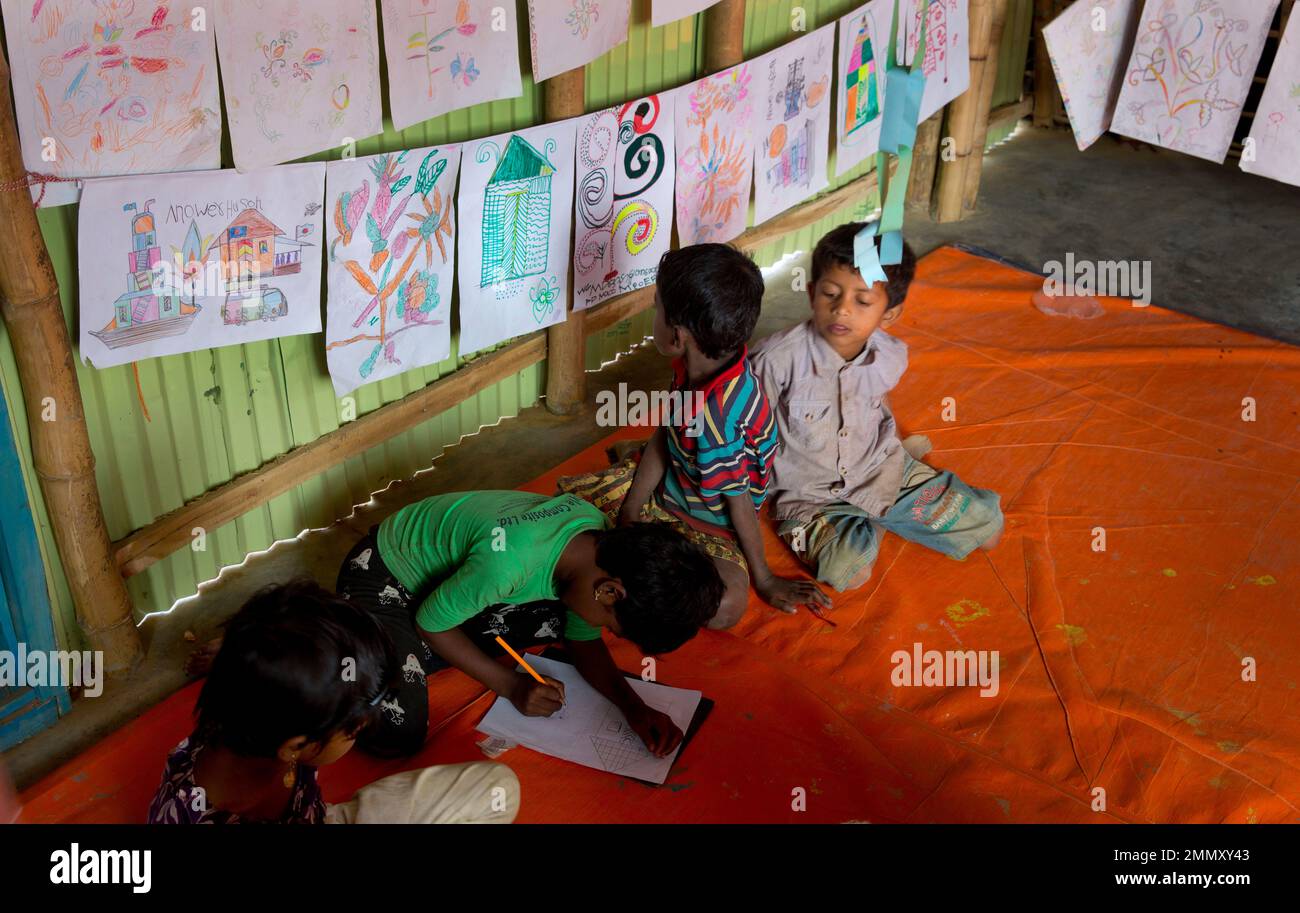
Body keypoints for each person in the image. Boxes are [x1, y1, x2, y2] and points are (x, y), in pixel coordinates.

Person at [559, 244, 831, 629]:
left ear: (677, 336)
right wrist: (631, 513)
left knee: (725, 607)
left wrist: (764, 578)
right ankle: (648, 547)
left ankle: (649, 545)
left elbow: (737, 504)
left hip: (712, 531)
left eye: (656, 308)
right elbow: (665, 437)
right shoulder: (701, 365)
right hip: (666, 498)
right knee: (567, 510)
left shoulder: (719, 418)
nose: (653, 316)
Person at [335, 490, 723, 758]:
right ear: (609, 592)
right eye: (613, 628)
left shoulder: (597, 544)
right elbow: (431, 622)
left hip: (456, 582)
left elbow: (581, 639)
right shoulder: (509, 563)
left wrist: (633, 707)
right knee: (399, 730)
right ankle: (359, 641)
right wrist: (511, 684)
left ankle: (420, 645)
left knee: (556, 620)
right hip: (385, 576)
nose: (605, 633)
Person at [749, 223, 1004, 594]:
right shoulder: (774, 360)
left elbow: (874, 405)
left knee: (989, 532)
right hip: (810, 497)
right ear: (810, 292)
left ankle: (898, 490)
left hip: (883, 472)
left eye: (863, 301)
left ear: (890, 313)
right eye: (830, 294)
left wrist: (895, 455)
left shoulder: (890, 355)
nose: (842, 310)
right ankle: (877, 518)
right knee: (848, 573)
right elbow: (745, 432)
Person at [151, 580, 519, 824]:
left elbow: (290, 633)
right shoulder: (192, 812)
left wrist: (239, 650)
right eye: (355, 728)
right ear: (297, 746)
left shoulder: (250, 707)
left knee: (497, 788)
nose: (363, 730)